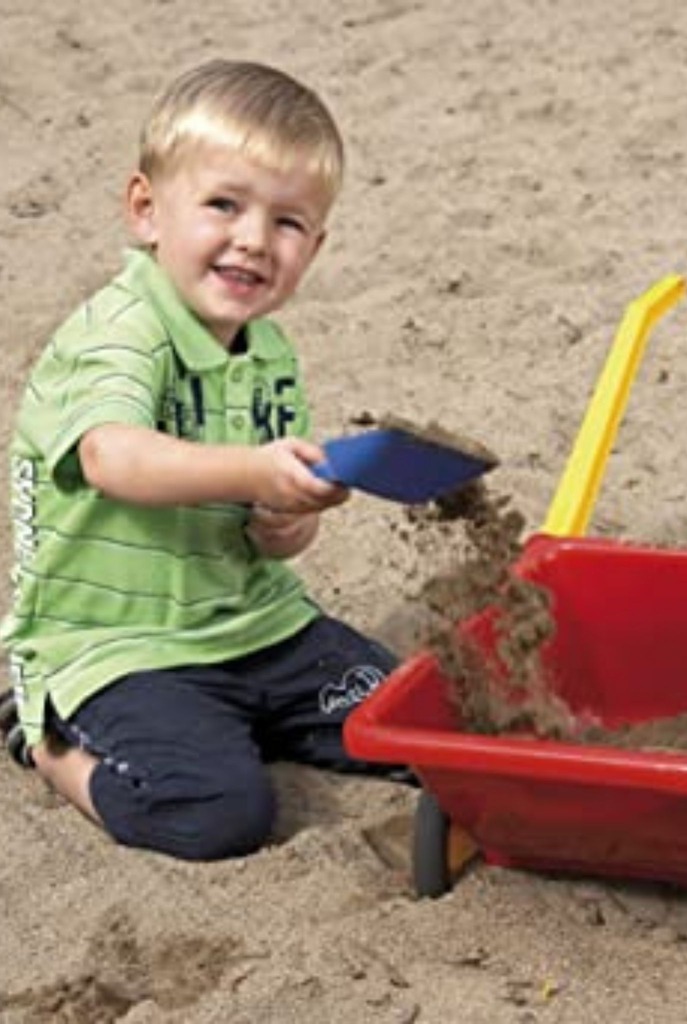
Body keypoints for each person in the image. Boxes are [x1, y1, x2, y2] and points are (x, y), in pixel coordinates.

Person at [0, 59, 409, 861]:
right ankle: (43, 740)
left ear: (315, 246)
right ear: (147, 210)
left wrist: (287, 517)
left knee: (421, 725)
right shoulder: (120, 330)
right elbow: (113, 457)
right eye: (224, 205)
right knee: (218, 812)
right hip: (116, 646)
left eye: (288, 223)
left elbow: (261, 526)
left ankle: (249, 719)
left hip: (255, 626)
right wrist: (255, 469)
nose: (255, 240)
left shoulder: (269, 351)